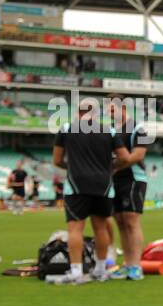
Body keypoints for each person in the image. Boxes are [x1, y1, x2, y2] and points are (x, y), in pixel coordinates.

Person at [49, 101, 129, 284]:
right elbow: (124, 157)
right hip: (103, 185)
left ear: (78, 111)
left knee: (75, 228)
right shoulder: (109, 130)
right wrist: (109, 168)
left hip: (76, 185)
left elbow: (57, 159)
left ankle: (76, 271)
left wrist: (73, 167)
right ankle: (100, 270)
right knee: (100, 228)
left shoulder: (67, 128)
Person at [109, 95, 149, 280]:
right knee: (120, 222)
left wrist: (112, 168)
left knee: (131, 221)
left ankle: (136, 266)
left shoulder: (139, 128)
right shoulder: (110, 130)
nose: (110, 112)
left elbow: (138, 155)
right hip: (116, 180)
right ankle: (127, 263)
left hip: (134, 179)